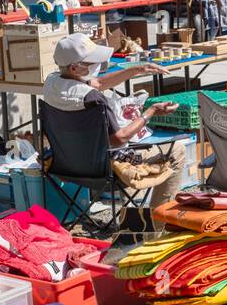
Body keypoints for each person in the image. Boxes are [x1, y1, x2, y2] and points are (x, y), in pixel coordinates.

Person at [43, 33, 186, 228]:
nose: (97, 66)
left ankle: (133, 218)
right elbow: (119, 139)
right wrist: (150, 112)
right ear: (75, 67)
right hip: (105, 170)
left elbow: (99, 83)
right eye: (91, 62)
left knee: (121, 146)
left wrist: (137, 69)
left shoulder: (52, 83)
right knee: (177, 149)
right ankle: (158, 223)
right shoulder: (93, 98)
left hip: (68, 165)